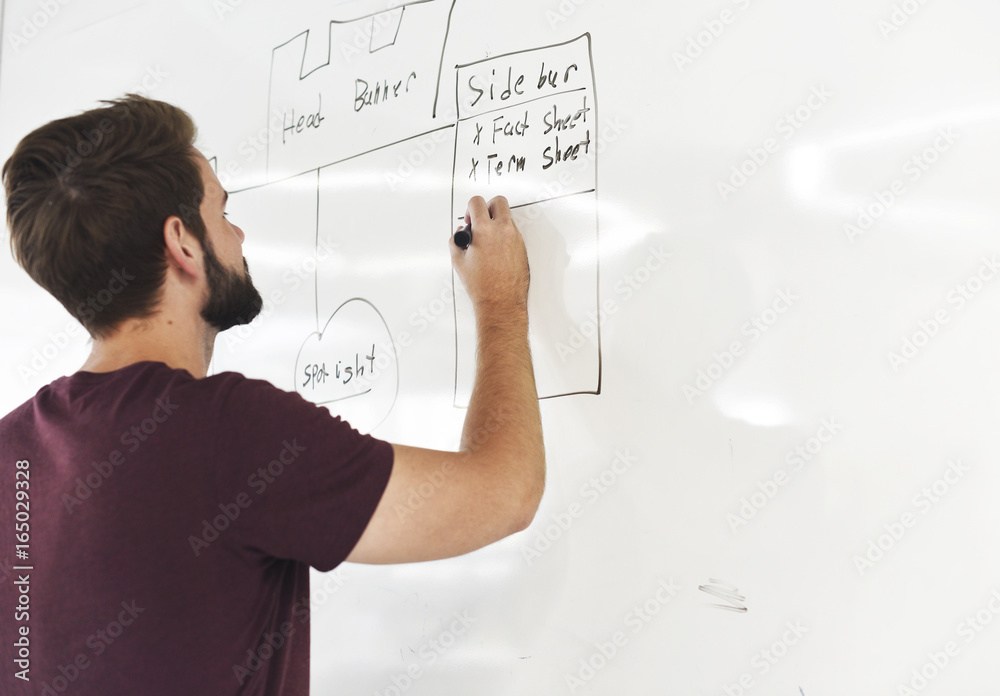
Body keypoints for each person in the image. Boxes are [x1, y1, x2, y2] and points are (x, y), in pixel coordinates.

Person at [0, 94, 545, 695]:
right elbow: (505, 492)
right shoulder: (227, 431)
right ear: (182, 242)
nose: (237, 234)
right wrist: (499, 303)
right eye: (222, 210)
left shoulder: (10, 450)